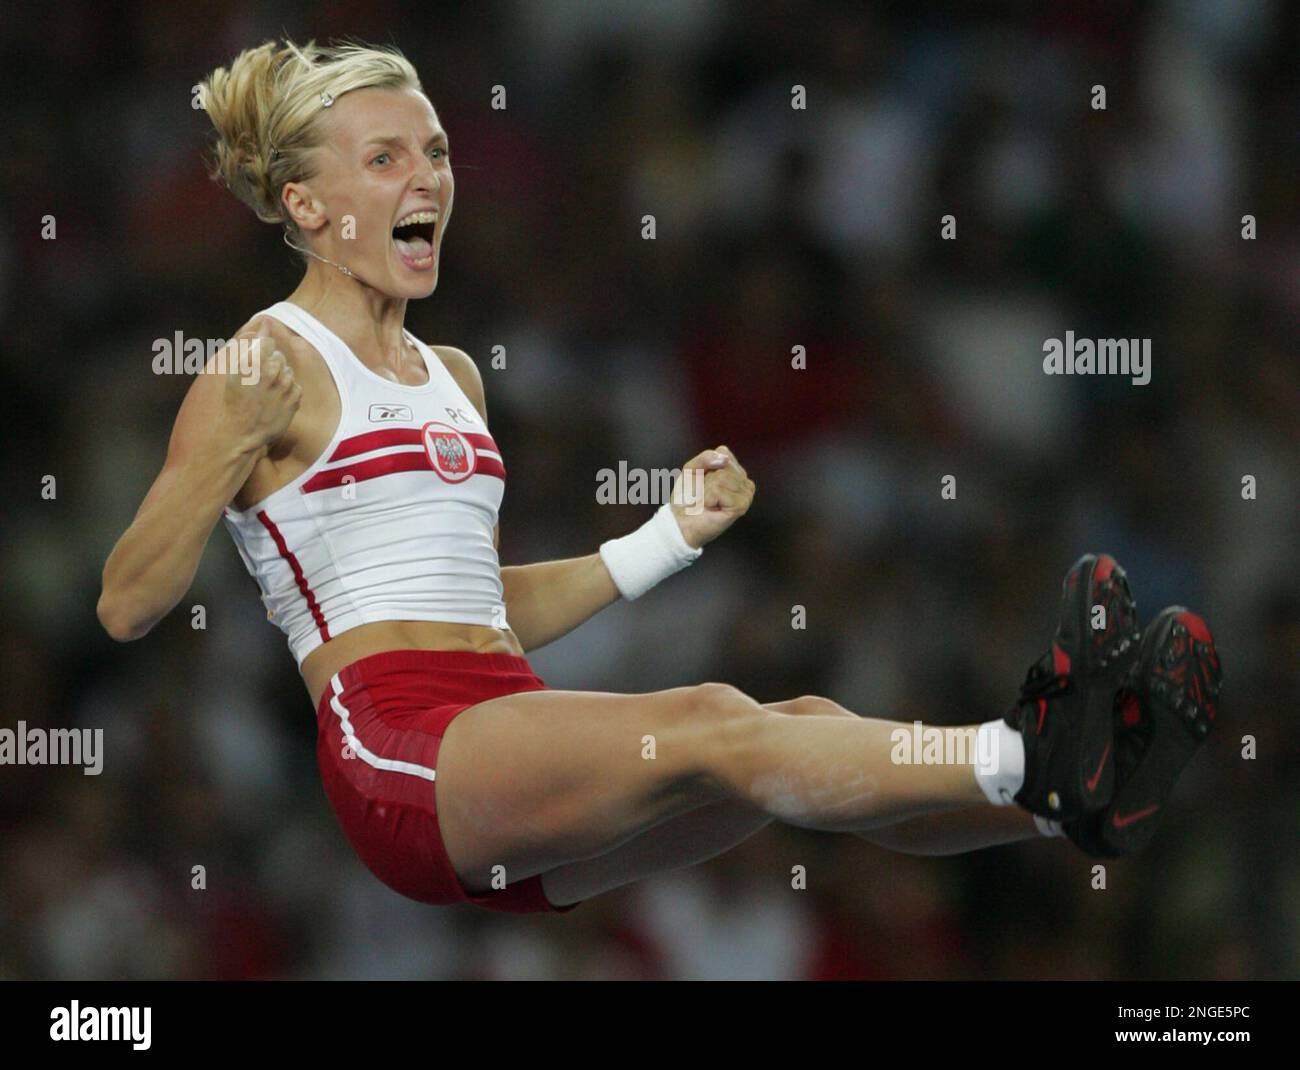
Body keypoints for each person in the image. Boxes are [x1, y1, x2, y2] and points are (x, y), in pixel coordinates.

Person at [97, 39, 1222, 914]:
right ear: (306, 205)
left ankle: (1064, 799)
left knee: (793, 733)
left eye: (436, 151)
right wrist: (223, 452)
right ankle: (1035, 742)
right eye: (386, 158)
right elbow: (127, 601)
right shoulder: (265, 359)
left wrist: (663, 538)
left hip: (502, 737)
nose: (429, 177)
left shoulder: (447, 375)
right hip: (401, 754)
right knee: (713, 716)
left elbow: (481, 609)